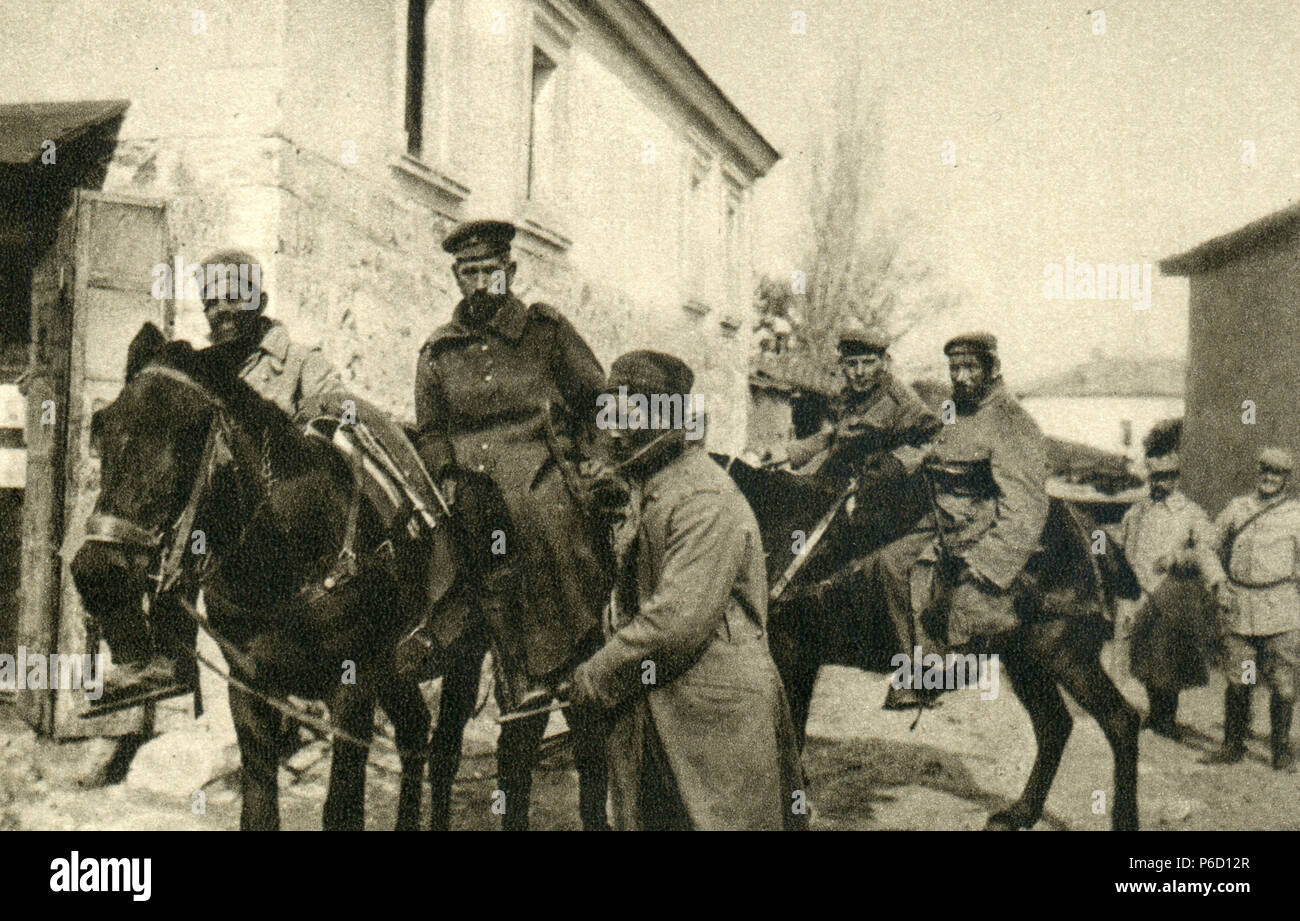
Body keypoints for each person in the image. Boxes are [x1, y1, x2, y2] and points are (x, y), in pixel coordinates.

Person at [97, 248, 347, 707]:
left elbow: (332, 416)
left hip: (284, 529)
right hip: (222, 528)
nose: (222, 311)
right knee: (160, 542)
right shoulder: (201, 368)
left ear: (262, 300)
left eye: (235, 297)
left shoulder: (299, 360)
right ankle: (164, 660)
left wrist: (299, 427)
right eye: (211, 302)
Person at [570, 351, 805, 830]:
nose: (616, 425)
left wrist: (595, 676)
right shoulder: (653, 484)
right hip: (666, 700)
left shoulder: (701, 497)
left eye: (634, 410)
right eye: (612, 409)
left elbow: (676, 623)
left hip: (714, 714)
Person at [406, 219, 610, 713]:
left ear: (511, 271)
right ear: (456, 277)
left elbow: (597, 400)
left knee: (545, 518)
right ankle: (453, 652)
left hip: (541, 467)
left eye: (490, 272)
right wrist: (446, 475)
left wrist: (595, 461)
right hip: (470, 481)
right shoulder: (439, 350)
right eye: (468, 273)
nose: (480, 284)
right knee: (428, 545)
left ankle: (558, 666)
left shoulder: (545, 331)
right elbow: (431, 429)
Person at [866, 332, 1049, 708]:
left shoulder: (1012, 421)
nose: (961, 377)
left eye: (970, 368)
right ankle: (910, 664)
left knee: (931, 584)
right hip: (937, 516)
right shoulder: (954, 408)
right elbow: (935, 446)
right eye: (955, 368)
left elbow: (1026, 504)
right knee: (886, 564)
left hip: (977, 525)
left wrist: (989, 562)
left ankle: (930, 678)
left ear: (993, 368)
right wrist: (899, 462)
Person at [1111, 419, 1224, 741]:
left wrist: (1178, 558)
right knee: (1143, 655)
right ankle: (1153, 712)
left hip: (1170, 593)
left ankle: (1166, 718)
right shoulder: (1137, 510)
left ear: (1176, 478)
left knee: (1168, 658)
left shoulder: (1190, 512)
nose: (1161, 484)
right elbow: (1123, 542)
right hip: (1139, 591)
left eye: (1167, 478)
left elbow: (1208, 546)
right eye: (1156, 478)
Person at [1206, 447, 1300, 772]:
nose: (1270, 478)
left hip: (1281, 611)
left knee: (1283, 683)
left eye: (1277, 474)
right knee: (1241, 679)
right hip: (1241, 608)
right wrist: (1218, 581)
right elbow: (1207, 546)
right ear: (1257, 472)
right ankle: (1233, 745)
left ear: (1286, 479)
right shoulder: (1237, 509)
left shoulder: (1295, 516)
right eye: (1265, 471)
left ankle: (1280, 750)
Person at [763, 316, 939, 484]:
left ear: (885, 362)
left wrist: (895, 464)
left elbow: (932, 441)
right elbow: (835, 436)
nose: (860, 372)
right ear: (842, 364)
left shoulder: (902, 401)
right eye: (852, 364)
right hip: (848, 481)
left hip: (887, 491)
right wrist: (789, 452)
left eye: (868, 362)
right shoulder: (849, 397)